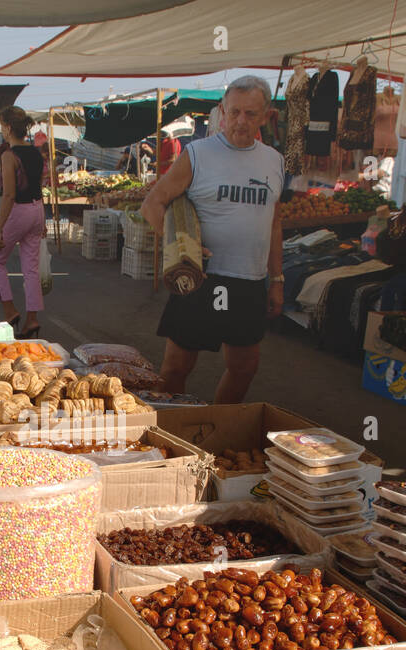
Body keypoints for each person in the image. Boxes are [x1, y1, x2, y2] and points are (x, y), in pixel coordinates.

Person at [140, 76, 286, 404]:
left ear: (265, 116)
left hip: (249, 281)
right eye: (234, 112)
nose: (240, 121)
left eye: (251, 114)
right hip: (201, 278)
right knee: (176, 368)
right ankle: (165, 434)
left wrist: (276, 279)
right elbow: (152, 204)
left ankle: (215, 430)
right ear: (222, 110)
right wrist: (182, 247)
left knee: (244, 368)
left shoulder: (274, 161)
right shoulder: (198, 154)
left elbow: (275, 222)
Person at [0, 106, 47, 338]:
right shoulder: (36, 153)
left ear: (9, 128)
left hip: (18, 211)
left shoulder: (9, 156)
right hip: (37, 209)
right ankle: (32, 319)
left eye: (2, 126)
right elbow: (39, 186)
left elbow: (9, 195)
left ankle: (9, 310)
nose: (1, 131)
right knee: (30, 268)